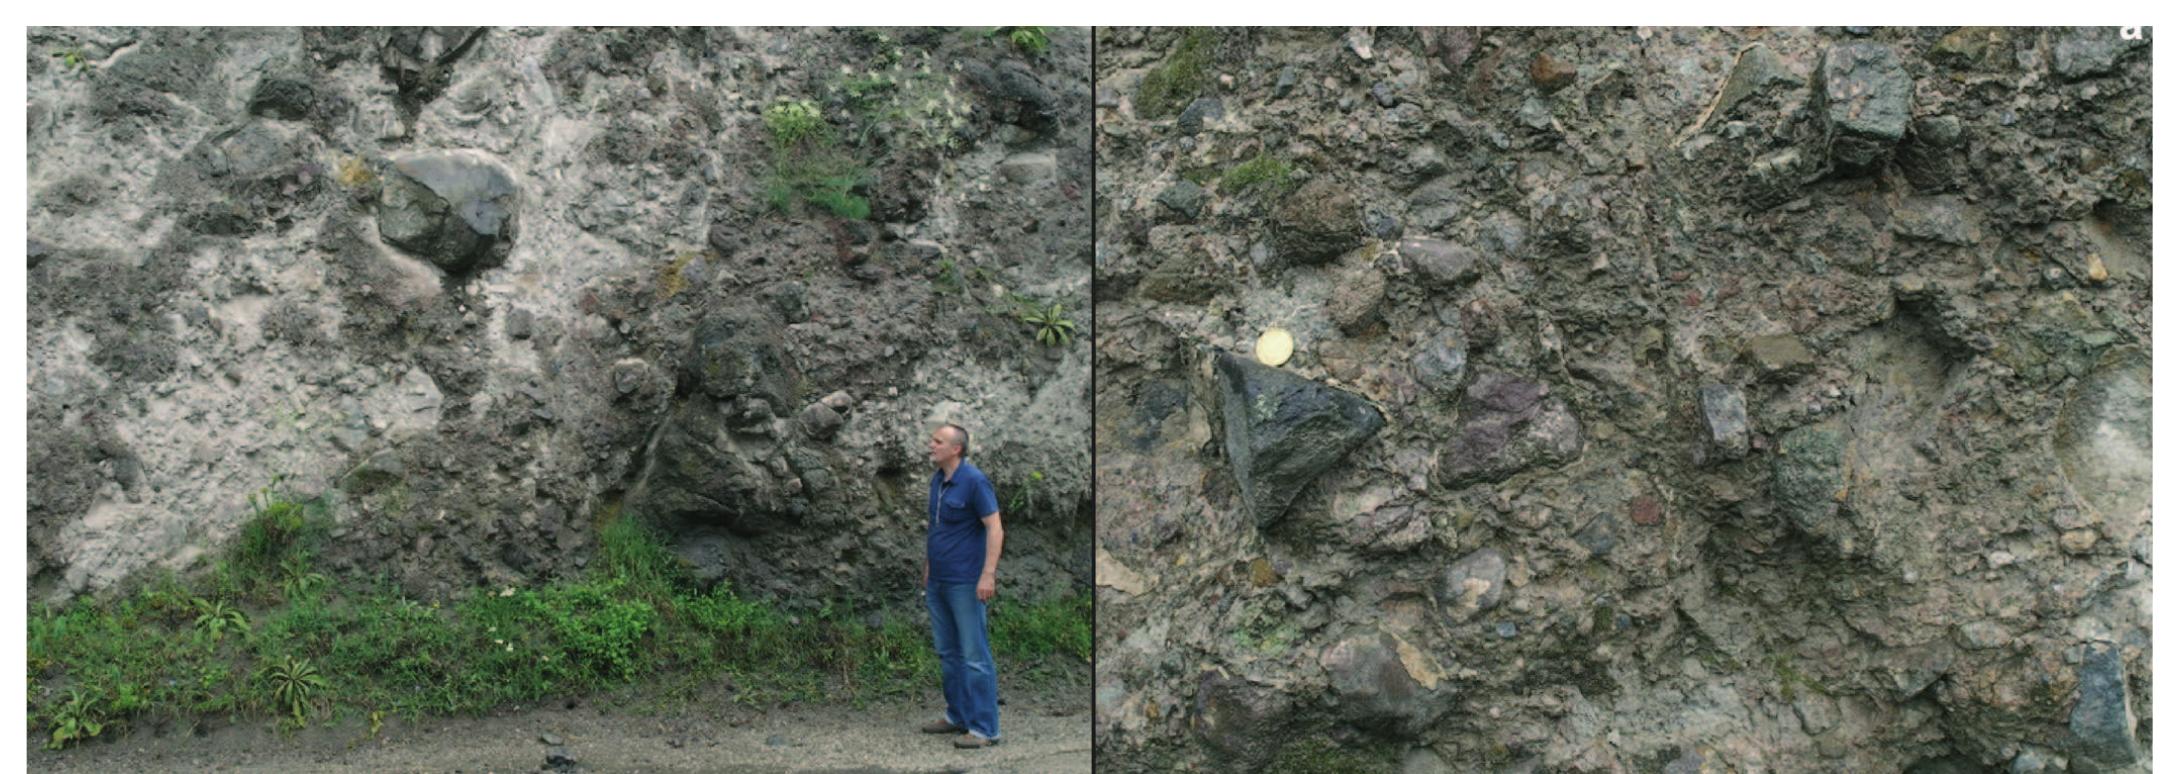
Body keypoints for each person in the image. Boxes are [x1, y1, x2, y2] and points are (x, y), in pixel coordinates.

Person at [918, 422, 1004, 748]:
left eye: (937, 441)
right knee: (948, 653)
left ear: (956, 449)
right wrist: (929, 565)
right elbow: (938, 528)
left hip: (966, 583)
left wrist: (988, 574)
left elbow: (995, 528)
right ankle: (958, 716)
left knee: (974, 655)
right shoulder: (938, 481)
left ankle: (985, 729)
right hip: (939, 581)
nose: (931, 445)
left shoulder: (975, 482)